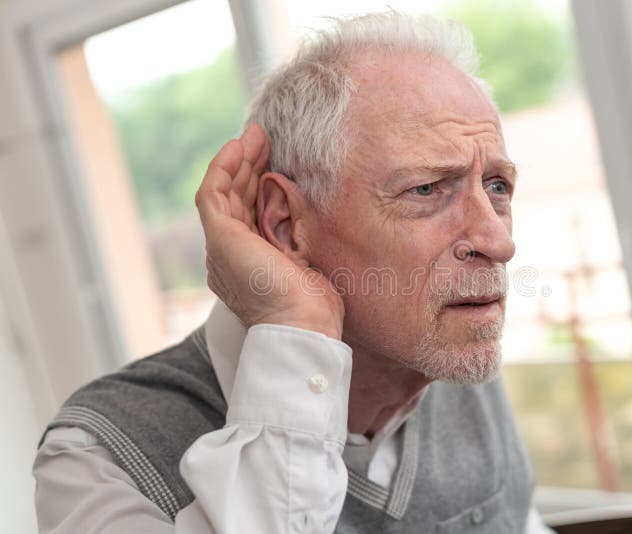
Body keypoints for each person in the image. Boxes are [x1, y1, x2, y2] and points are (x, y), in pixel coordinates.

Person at [33, 11, 554, 533]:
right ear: (285, 225)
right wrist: (294, 323)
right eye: (426, 189)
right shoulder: (100, 454)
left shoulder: (446, 349)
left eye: (497, 186)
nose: (498, 242)